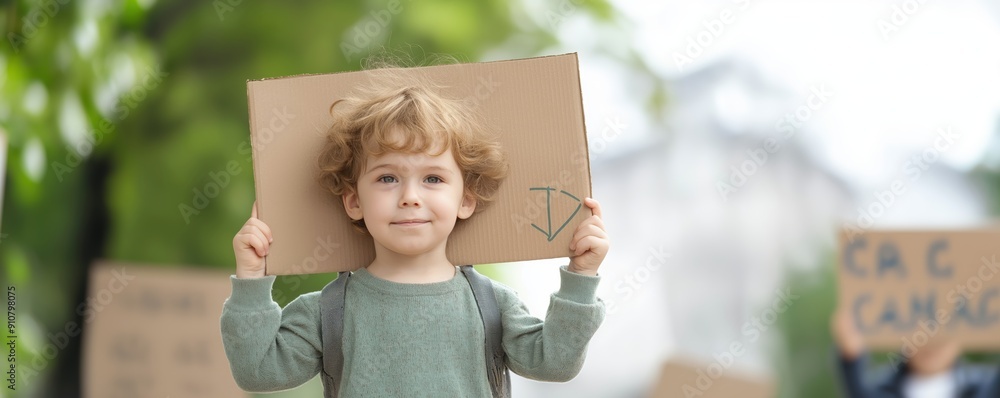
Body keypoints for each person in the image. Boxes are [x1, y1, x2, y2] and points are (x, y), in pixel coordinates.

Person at [220, 74, 610, 397]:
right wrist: (251, 280)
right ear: (354, 201)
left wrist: (581, 276)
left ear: (465, 200)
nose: (410, 197)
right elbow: (258, 372)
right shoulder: (328, 311)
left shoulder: (492, 304)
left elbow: (555, 364)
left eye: (433, 179)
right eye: (387, 178)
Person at [830, 308, 1000, 397]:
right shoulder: (877, 391)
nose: (931, 340)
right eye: (921, 332)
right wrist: (850, 357)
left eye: (942, 327)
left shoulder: (986, 388)